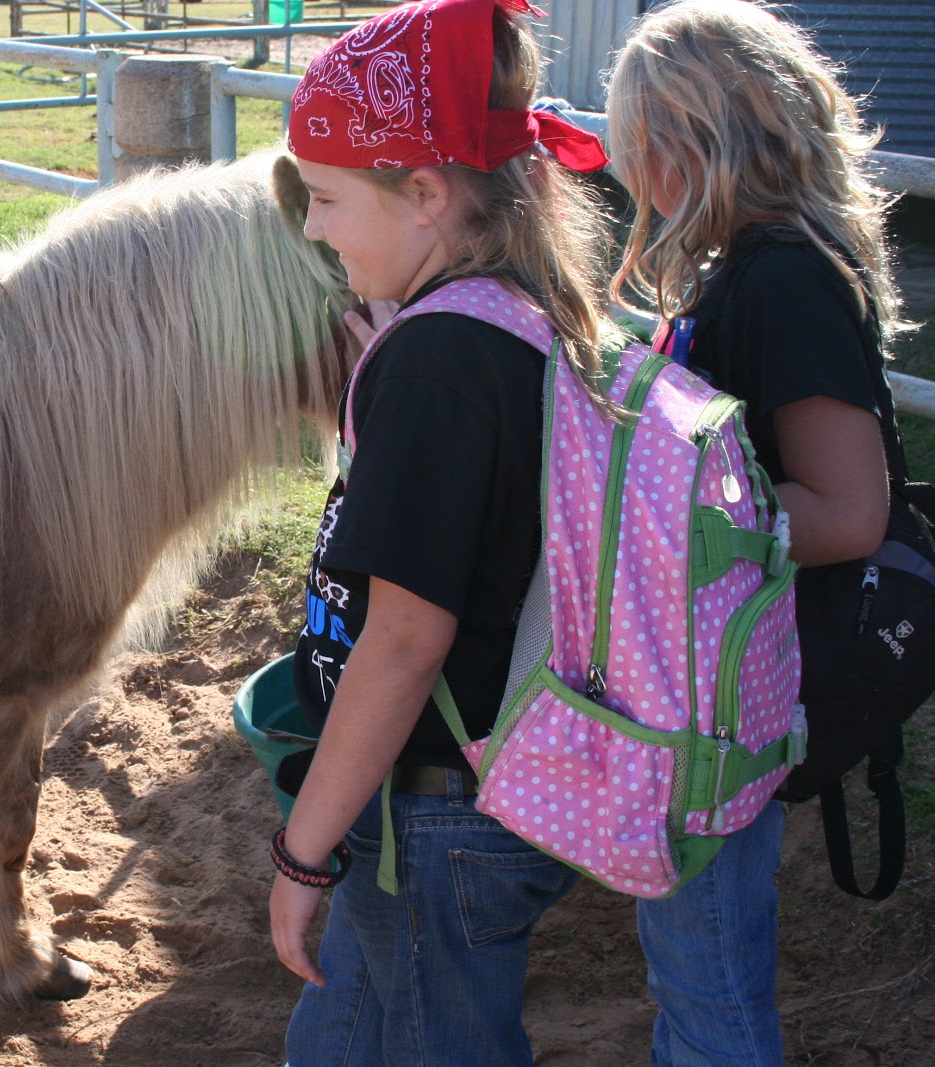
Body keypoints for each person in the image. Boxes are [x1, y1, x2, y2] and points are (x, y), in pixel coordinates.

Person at [268, 1, 616, 1063]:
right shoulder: (507, 312)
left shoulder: (439, 362)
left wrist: (301, 852)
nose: (314, 228)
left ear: (424, 194)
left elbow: (406, 638)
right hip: (449, 804)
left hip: (427, 817)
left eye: (325, 198)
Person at [606, 2, 899, 1062]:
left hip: (739, 696)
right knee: (694, 958)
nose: (624, 167)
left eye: (635, 141)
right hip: (721, 674)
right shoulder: (750, 265)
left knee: (710, 979)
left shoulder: (784, 281)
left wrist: (660, 521)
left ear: (694, 145)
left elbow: (847, 509)